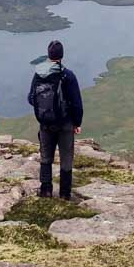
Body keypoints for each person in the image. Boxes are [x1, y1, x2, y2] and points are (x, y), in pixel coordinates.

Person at [28, 40, 84, 200]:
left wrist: (45, 110)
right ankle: (65, 194)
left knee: (46, 157)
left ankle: (45, 190)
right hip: (65, 124)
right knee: (66, 157)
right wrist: (77, 123)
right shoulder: (68, 75)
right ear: (62, 55)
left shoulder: (39, 74)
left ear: (48, 54)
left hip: (45, 124)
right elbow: (76, 102)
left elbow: (31, 98)